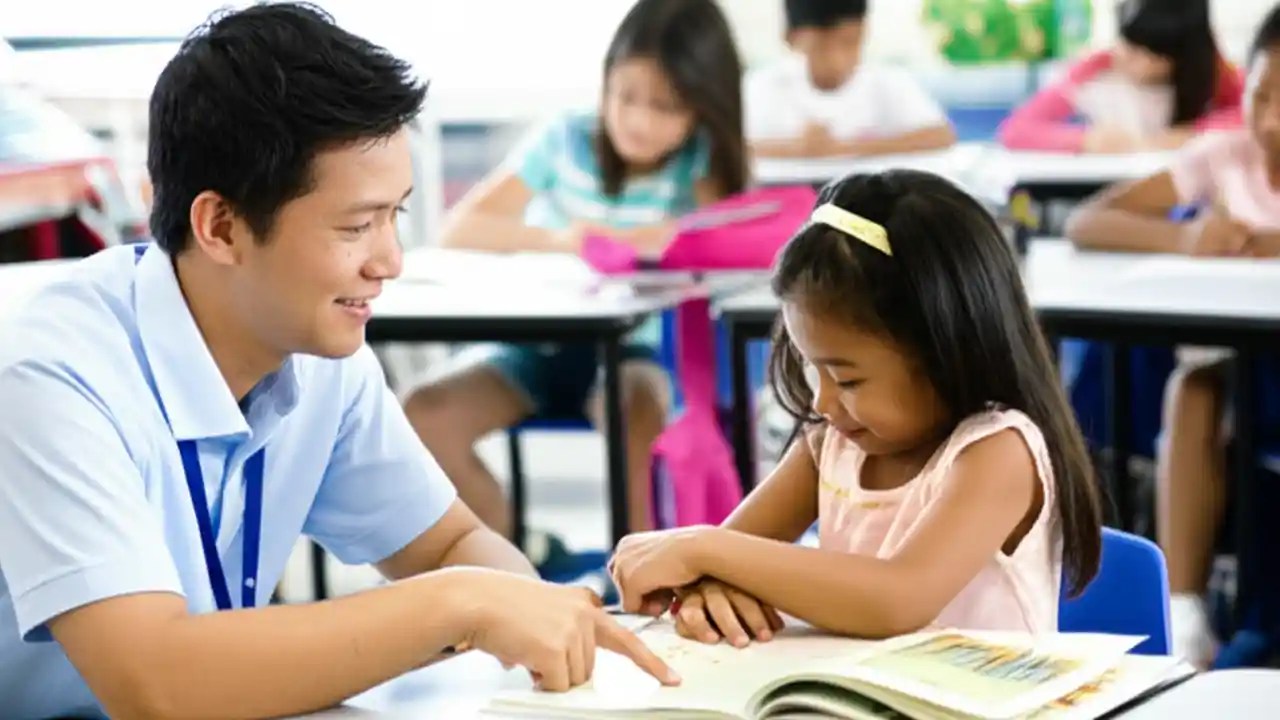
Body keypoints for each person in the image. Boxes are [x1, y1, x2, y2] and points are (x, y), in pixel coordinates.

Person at [0, 5, 677, 718]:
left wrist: (540, 613)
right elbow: (154, 683)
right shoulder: (53, 378)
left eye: (396, 216)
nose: (389, 261)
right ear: (221, 226)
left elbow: (449, 542)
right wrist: (462, 603)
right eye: (357, 227)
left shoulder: (318, 350)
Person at [608, 170, 1103, 643]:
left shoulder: (998, 452)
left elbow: (898, 598)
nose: (822, 403)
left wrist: (704, 548)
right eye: (809, 368)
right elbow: (716, 570)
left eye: (847, 378)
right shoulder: (830, 448)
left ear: (945, 351)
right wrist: (708, 590)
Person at [403, 0, 747, 555]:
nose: (637, 119)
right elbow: (461, 227)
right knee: (422, 413)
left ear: (703, 110)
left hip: (629, 353)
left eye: (665, 106)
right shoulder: (566, 139)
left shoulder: (700, 163)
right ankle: (516, 559)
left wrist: (674, 237)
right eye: (625, 95)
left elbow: (719, 248)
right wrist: (563, 241)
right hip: (529, 349)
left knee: (638, 414)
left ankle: (638, 584)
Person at [1064, 3, 1280, 667]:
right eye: (1261, 95)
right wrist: (1186, 236)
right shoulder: (1225, 155)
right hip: (1243, 374)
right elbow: (1089, 221)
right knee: (1194, 389)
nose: (1269, 121)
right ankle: (1181, 612)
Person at [999, 0, 1242, 154]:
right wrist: (1085, 140)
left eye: (1143, 52)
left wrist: (1193, 134)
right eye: (1125, 41)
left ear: (1176, 59)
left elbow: (1252, 116)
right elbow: (1016, 131)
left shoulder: (1215, 72)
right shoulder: (1096, 69)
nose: (1124, 55)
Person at [744, 0, 956, 160]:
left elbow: (940, 135)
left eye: (850, 43)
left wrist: (844, 148)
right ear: (791, 39)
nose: (838, 59)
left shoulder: (886, 81)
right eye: (821, 47)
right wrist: (796, 148)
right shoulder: (764, 86)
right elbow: (733, 148)